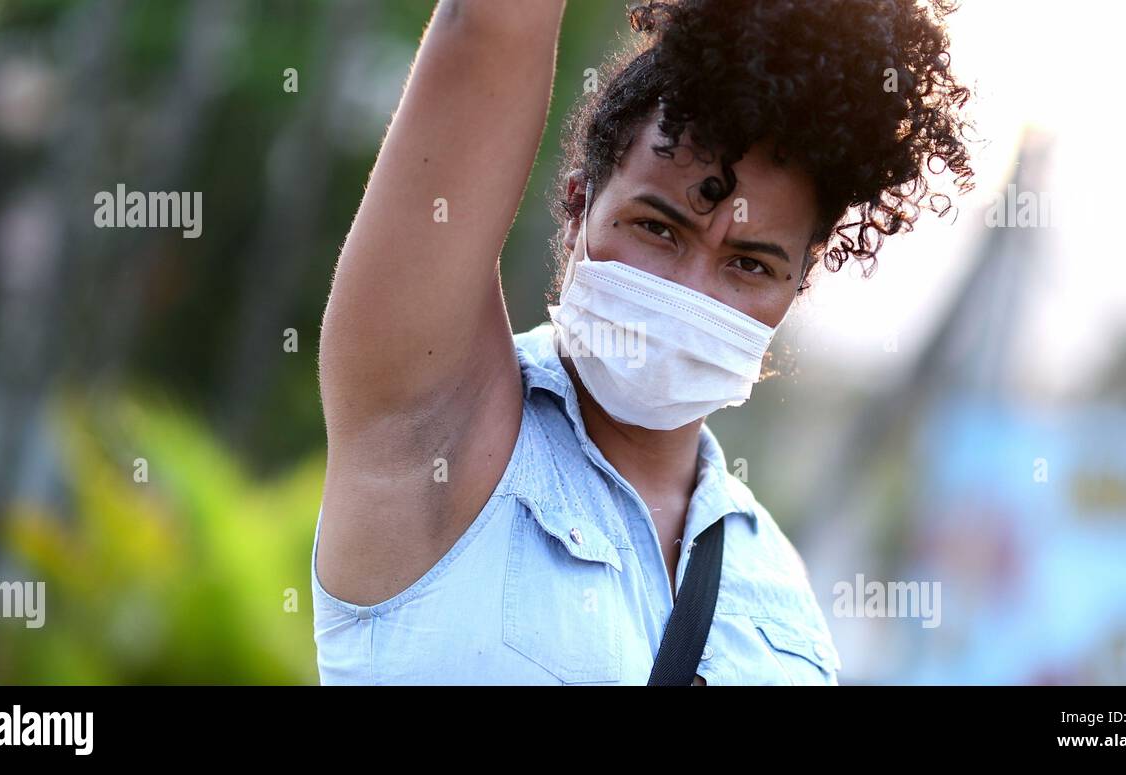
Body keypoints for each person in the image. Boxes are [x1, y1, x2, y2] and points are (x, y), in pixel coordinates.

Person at [312, 0, 973, 684]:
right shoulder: (436, 432)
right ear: (577, 208)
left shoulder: (779, 593)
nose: (690, 291)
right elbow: (490, 23)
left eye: (749, 264)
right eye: (659, 228)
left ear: (795, 287)